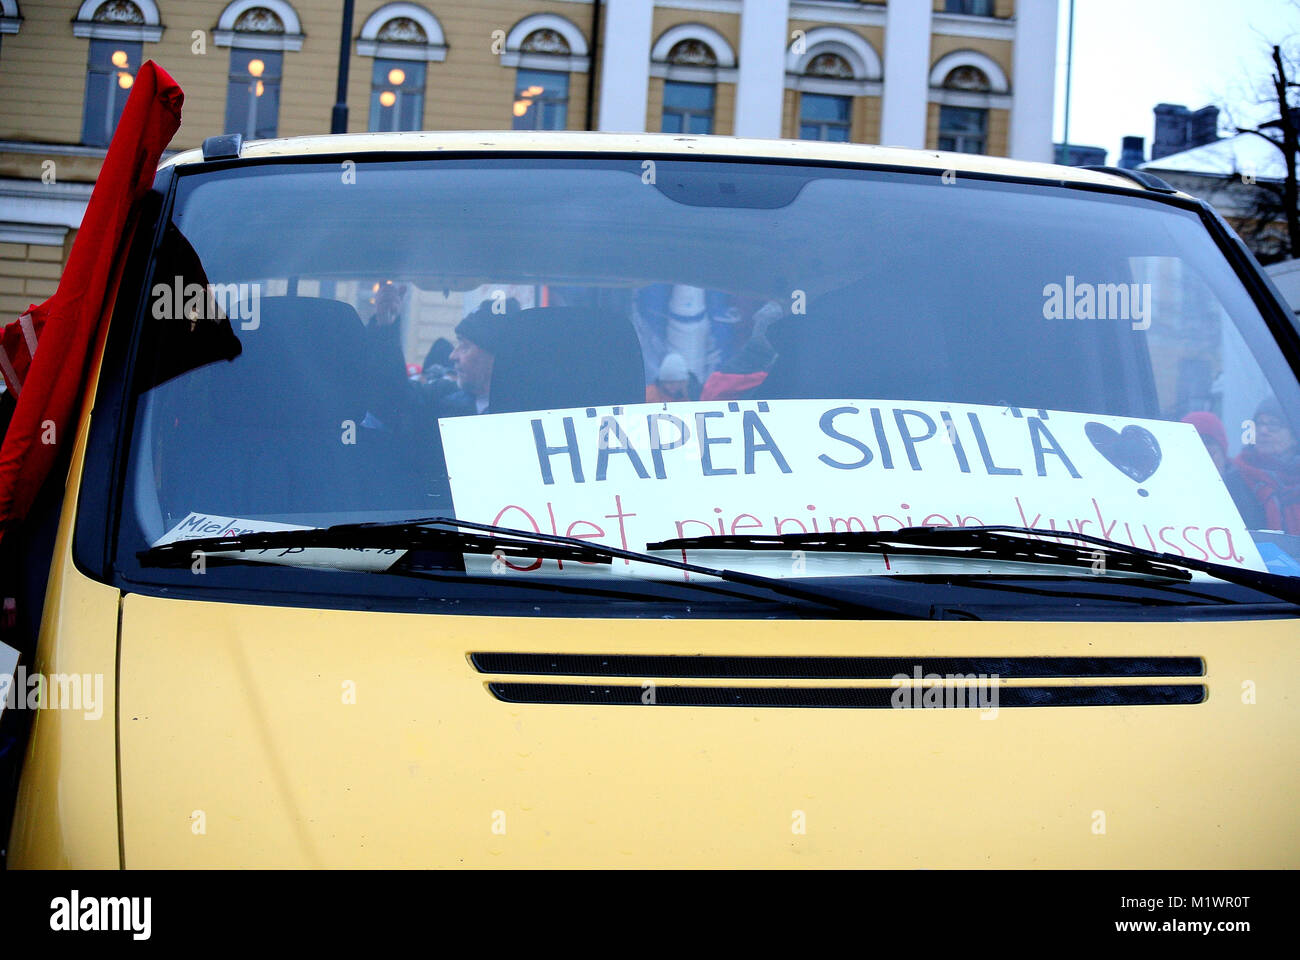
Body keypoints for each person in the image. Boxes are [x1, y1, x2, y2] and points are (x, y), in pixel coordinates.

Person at [1182, 411, 1266, 530]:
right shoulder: (1170, 490)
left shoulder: (1242, 489)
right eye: (1194, 452)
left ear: (1222, 451)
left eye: (1210, 453)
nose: (1203, 461)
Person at [1234, 396, 1300, 533]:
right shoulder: (1234, 480)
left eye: (1273, 425)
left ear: (1294, 436)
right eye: (1258, 424)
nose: (1263, 431)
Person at [442, 299, 515, 416]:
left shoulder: (527, 410)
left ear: (495, 357)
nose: (453, 356)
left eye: (465, 346)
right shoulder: (447, 407)